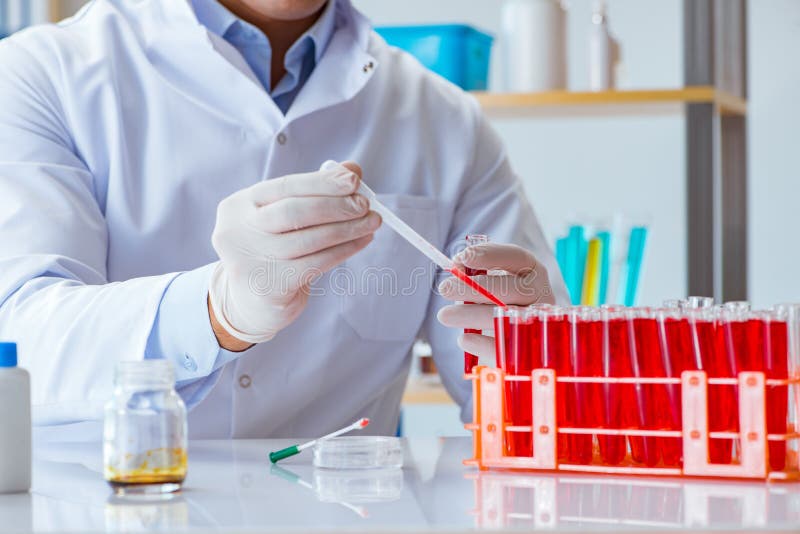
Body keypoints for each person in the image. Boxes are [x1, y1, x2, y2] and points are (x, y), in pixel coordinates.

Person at [0, 0, 568, 439]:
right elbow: (18, 348)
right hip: (110, 510)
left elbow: (531, 418)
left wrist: (540, 352)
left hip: (346, 510)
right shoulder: (41, 75)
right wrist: (216, 311)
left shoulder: (446, 121)